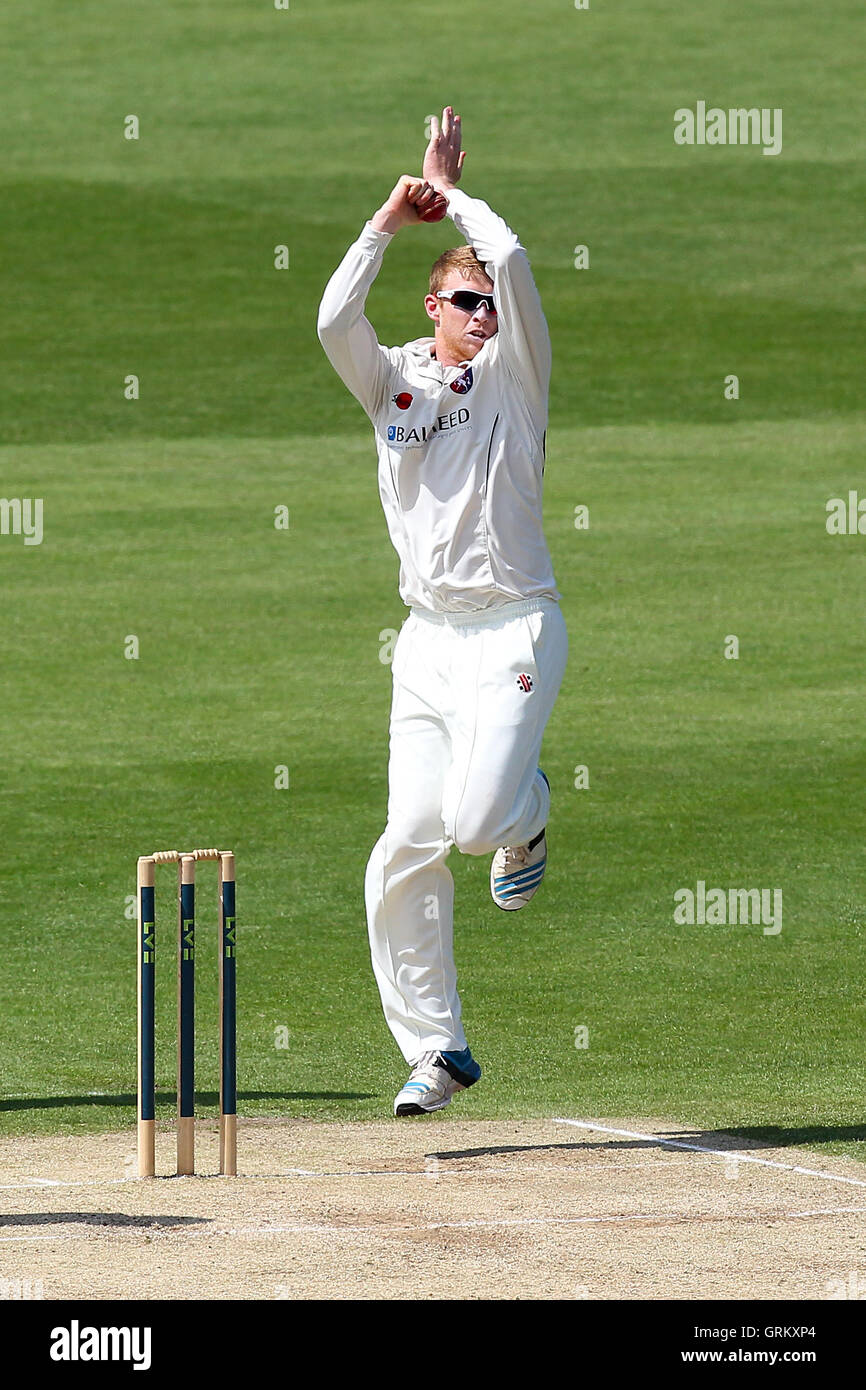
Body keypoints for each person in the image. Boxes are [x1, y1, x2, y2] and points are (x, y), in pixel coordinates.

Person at [317, 106, 567, 1116]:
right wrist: (387, 217)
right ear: (432, 303)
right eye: (464, 302)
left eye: (488, 304)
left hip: (513, 622)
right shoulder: (392, 384)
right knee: (404, 843)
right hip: (425, 638)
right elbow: (332, 322)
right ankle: (438, 1049)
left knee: (472, 825)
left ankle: (529, 811)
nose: (481, 316)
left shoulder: (516, 377)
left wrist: (450, 187)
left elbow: (508, 256)